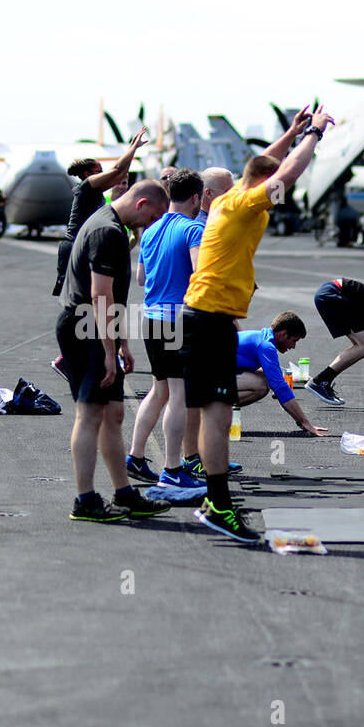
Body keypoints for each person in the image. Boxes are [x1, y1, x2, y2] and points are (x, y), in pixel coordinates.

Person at [181, 105, 331, 542]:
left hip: (204, 316)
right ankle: (218, 506)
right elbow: (286, 174)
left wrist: (291, 132)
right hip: (209, 319)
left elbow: (262, 164)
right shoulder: (244, 203)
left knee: (213, 412)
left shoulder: (231, 199)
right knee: (216, 415)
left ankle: (212, 498)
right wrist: (314, 134)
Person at [56, 180, 173, 523]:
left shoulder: (111, 225)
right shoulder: (107, 232)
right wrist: (109, 352)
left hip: (95, 326)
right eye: (154, 216)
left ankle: (124, 494)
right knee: (90, 413)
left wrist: (122, 344)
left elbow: (112, 299)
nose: (152, 224)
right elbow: (100, 296)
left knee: (114, 414)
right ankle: (85, 500)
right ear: (141, 204)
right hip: (84, 326)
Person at [125, 169, 206, 494]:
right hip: (178, 320)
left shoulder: (150, 230)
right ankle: (173, 469)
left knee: (159, 390)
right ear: (196, 198)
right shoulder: (194, 229)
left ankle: (135, 455)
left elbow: (141, 279)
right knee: (179, 395)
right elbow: (201, 274)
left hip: (151, 318)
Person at [50, 128, 150, 381]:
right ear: (88, 174)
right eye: (99, 170)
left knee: (91, 304)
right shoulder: (86, 188)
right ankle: (67, 359)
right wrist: (133, 148)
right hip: (74, 248)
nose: (105, 173)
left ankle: (79, 356)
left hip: (83, 248)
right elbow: (118, 171)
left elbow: (118, 173)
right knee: (83, 303)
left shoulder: (97, 195)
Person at [234, 313, 331, 434]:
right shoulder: (266, 346)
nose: (293, 346)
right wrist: (304, 422)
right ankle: (214, 410)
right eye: (294, 340)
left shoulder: (261, 338)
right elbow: (280, 387)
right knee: (260, 386)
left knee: (265, 376)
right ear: (283, 334)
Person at [306, 278, 364, 405]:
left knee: (362, 346)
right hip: (334, 293)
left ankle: (322, 381)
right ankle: (320, 381)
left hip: (330, 293)